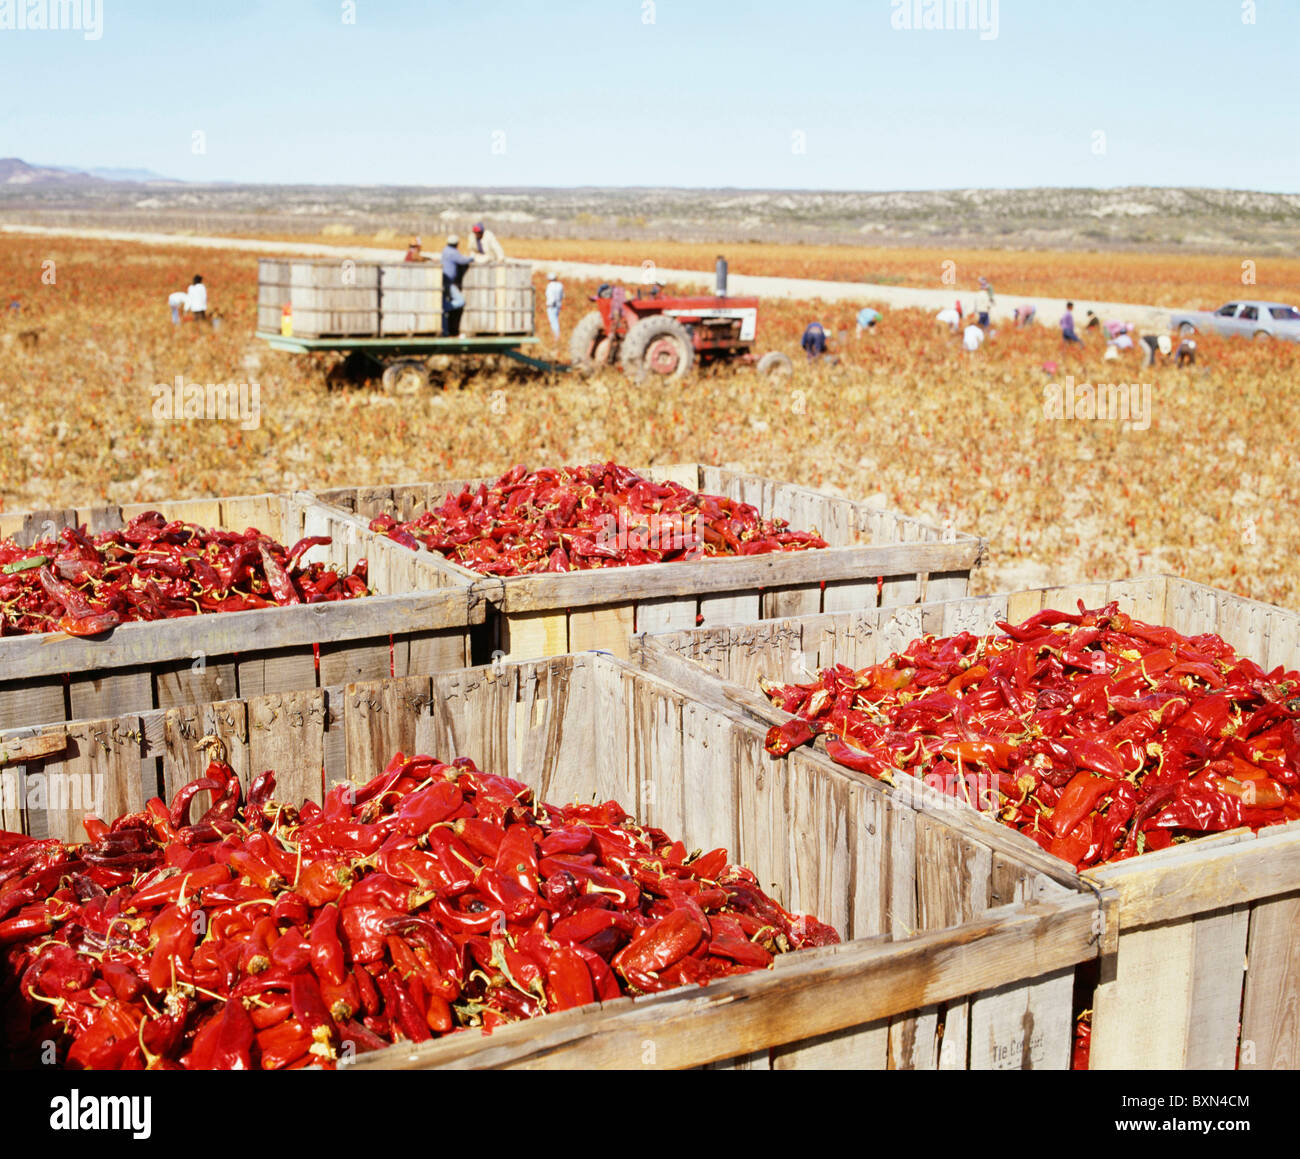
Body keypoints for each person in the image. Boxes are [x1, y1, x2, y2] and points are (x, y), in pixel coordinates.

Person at [441, 235, 474, 337]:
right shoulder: (453, 252)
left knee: (445, 308)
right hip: (449, 282)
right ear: (457, 244)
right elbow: (463, 260)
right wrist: (472, 258)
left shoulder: (445, 250)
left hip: (445, 281)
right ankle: (446, 307)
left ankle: (446, 331)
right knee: (460, 301)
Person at [545, 272, 564, 339]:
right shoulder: (560, 285)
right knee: (555, 320)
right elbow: (562, 296)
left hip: (552, 306)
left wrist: (549, 304)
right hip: (558, 305)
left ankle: (556, 337)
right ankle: (554, 336)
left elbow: (551, 297)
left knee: (553, 322)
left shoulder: (550, 286)